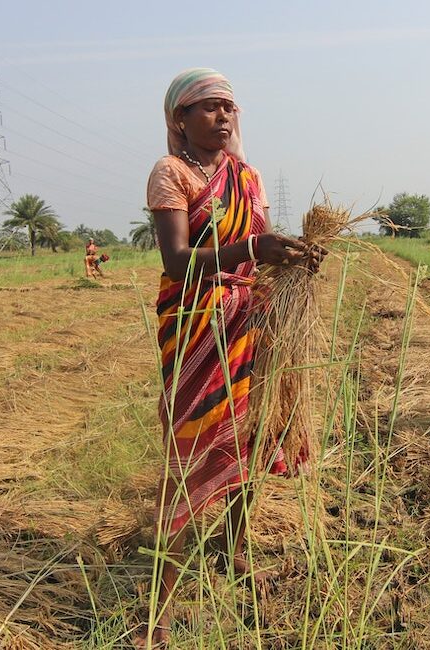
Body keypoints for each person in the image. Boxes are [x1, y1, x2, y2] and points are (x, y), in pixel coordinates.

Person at [135, 67, 324, 648]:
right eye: (210, 107)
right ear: (179, 119)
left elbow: (260, 253)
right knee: (193, 448)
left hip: (252, 320)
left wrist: (290, 259)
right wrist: (250, 248)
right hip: (197, 325)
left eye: (229, 108)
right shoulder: (171, 174)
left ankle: (236, 550)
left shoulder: (248, 176)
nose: (223, 117)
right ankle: (160, 608)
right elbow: (175, 260)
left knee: (253, 434)